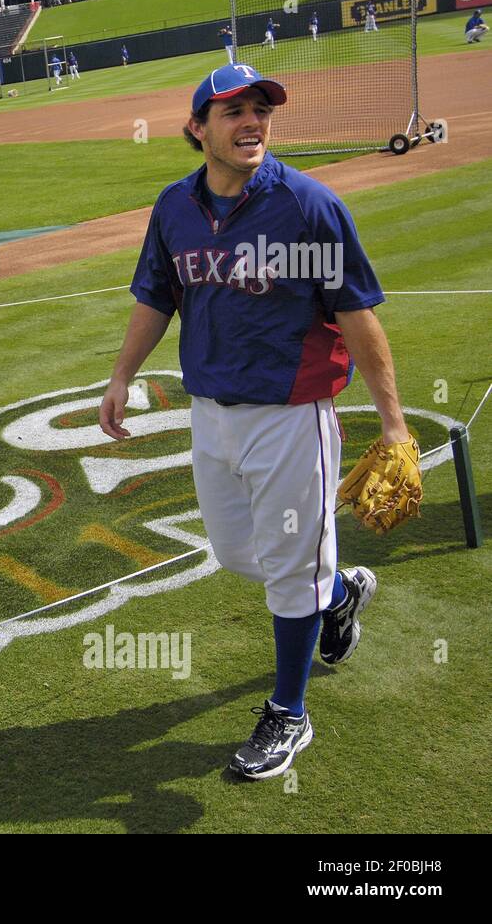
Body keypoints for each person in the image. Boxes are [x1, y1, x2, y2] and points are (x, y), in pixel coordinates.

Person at [100, 63, 414, 780]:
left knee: (288, 576)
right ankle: (339, 593)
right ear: (197, 128)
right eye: (233, 110)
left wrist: (393, 424)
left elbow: (358, 316)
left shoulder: (308, 206)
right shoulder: (175, 208)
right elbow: (157, 295)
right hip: (211, 413)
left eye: (261, 110)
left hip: (291, 415)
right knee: (243, 556)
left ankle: (288, 714)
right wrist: (121, 374)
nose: (252, 123)